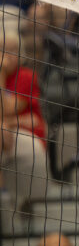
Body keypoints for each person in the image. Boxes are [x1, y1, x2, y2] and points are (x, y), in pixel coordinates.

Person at [0, 20, 47, 211]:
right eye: (2, 49)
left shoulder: (26, 75)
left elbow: (7, 108)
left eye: (12, 50)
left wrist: (1, 73)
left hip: (28, 134)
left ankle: (6, 195)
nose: (6, 55)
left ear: (20, 53)